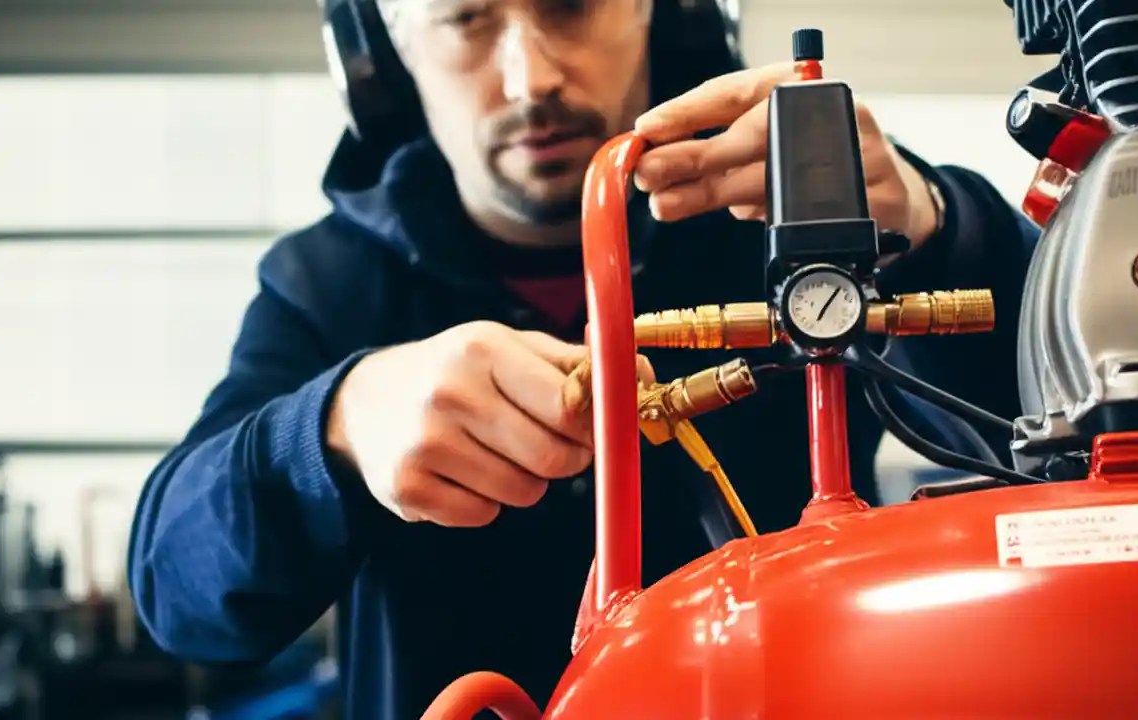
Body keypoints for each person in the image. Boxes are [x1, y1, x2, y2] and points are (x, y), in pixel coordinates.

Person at [126, 0, 1040, 716]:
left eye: (569, 4)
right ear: (380, 54)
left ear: (670, 11)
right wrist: (334, 427)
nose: (530, 77)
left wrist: (934, 231)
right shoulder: (325, 284)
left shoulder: (797, 216)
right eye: (465, 19)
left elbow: (1049, 445)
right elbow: (179, 592)